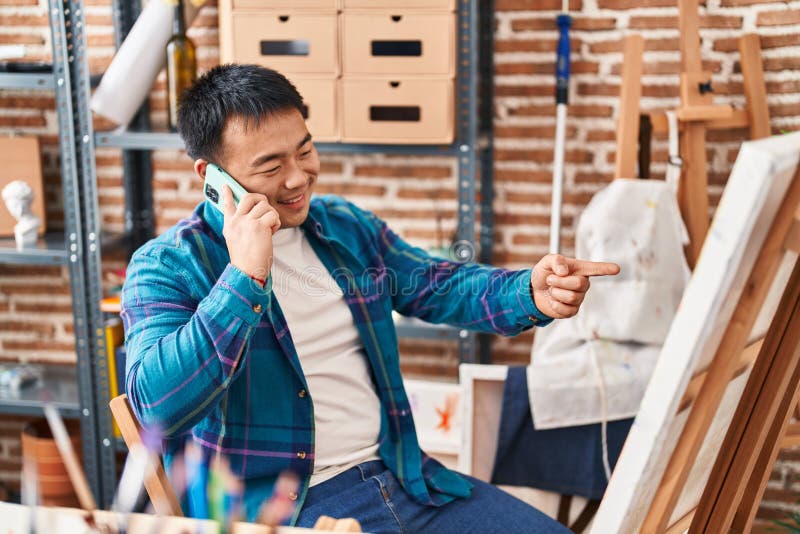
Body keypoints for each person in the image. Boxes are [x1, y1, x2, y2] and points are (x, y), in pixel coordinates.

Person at [121, 63, 620, 532]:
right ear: (212, 177)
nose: (298, 178)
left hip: (405, 481)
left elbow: (435, 283)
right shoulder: (166, 266)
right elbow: (157, 409)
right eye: (270, 165)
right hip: (288, 513)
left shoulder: (344, 226)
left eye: (305, 150)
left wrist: (526, 290)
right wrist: (244, 276)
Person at [1, 180, 40, 250]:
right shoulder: (19, 227)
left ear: (22, 204)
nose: (10, 210)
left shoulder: (34, 223)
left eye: (13, 206)